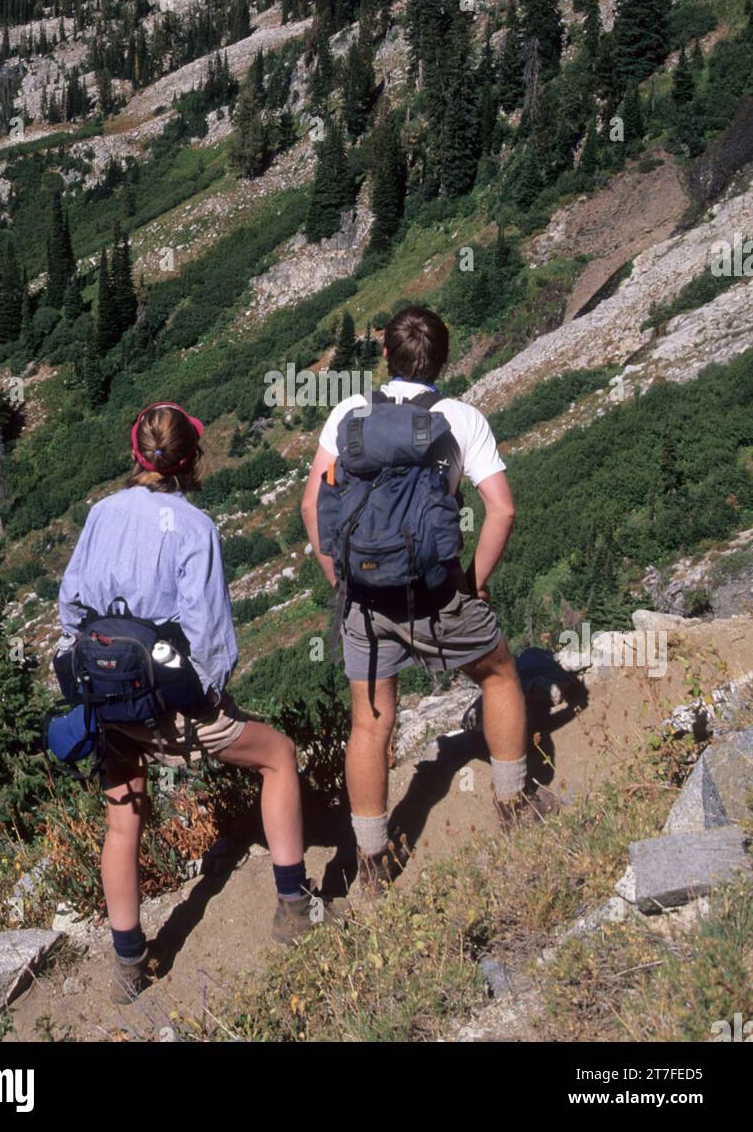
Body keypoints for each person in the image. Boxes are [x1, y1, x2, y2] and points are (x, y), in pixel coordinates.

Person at [56, 401, 327, 1004]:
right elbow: (209, 637)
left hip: (110, 703)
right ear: (190, 460)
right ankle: (292, 905)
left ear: (136, 453)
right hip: (171, 703)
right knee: (278, 756)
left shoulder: (101, 513)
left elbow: (70, 608)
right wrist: (205, 699)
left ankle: (129, 964)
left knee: (123, 817)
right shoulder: (194, 527)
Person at [300, 306, 558, 899]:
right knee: (497, 676)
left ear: (386, 356)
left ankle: (372, 860)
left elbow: (313, 507)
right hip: (439, 592)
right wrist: (473, 579)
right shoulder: (461, 419)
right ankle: (514, 802)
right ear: (442, 359)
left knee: (370, 723)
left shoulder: (349, 414)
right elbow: (503, 509)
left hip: (365, 597)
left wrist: (341, 581)